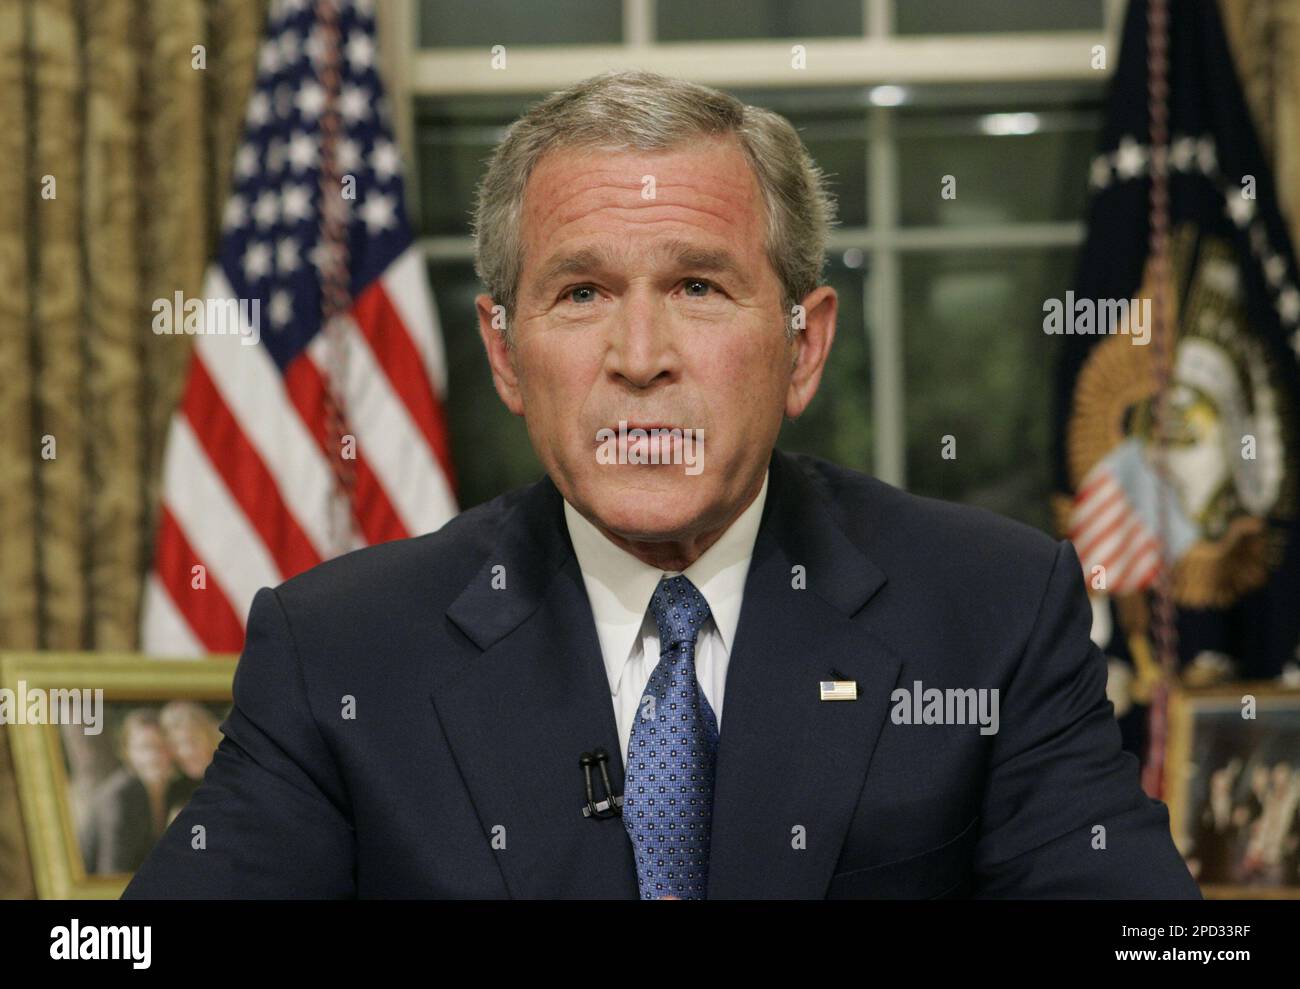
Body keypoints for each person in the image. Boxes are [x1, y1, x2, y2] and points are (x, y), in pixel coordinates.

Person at [125, 70, 1200, 899]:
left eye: (697, 285)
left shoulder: (994, 610)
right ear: (505, 354)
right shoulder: (342, 649)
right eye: (582, 291)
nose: (639, 354)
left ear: (803, 346)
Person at [82, 709, 175, 875]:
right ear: (127, 752)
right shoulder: (118, 798)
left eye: (162, 745)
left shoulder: (173, 792)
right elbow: (111, 875)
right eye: (145, 747)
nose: (154, 755)